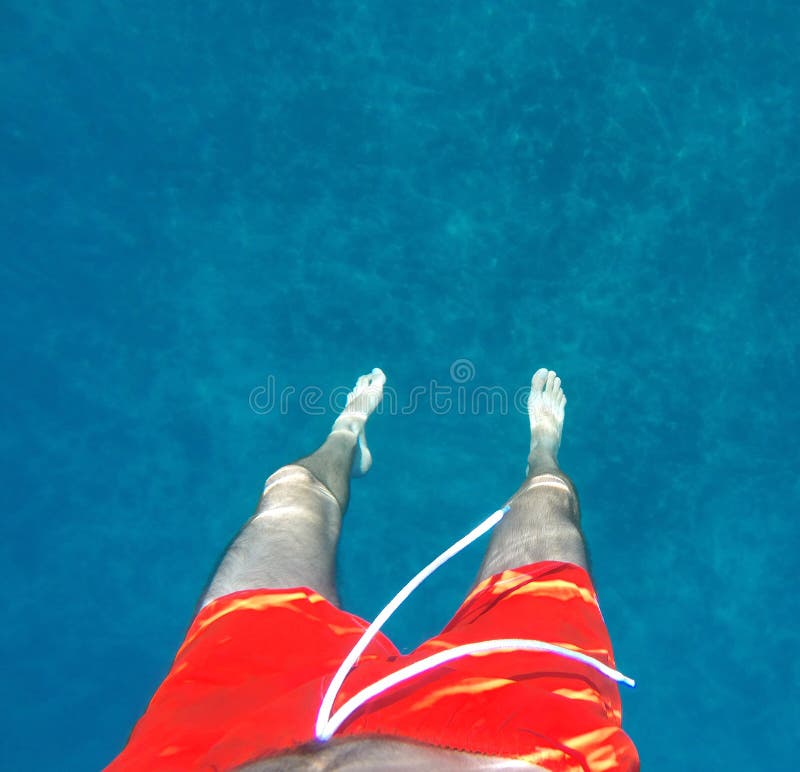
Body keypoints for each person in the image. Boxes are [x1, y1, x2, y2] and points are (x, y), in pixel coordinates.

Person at [107, 368, 639, 771]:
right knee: (547, 507)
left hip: (211, 739)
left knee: (293, 492)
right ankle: (542, 453)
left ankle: (344, 432)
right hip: (532, 737)